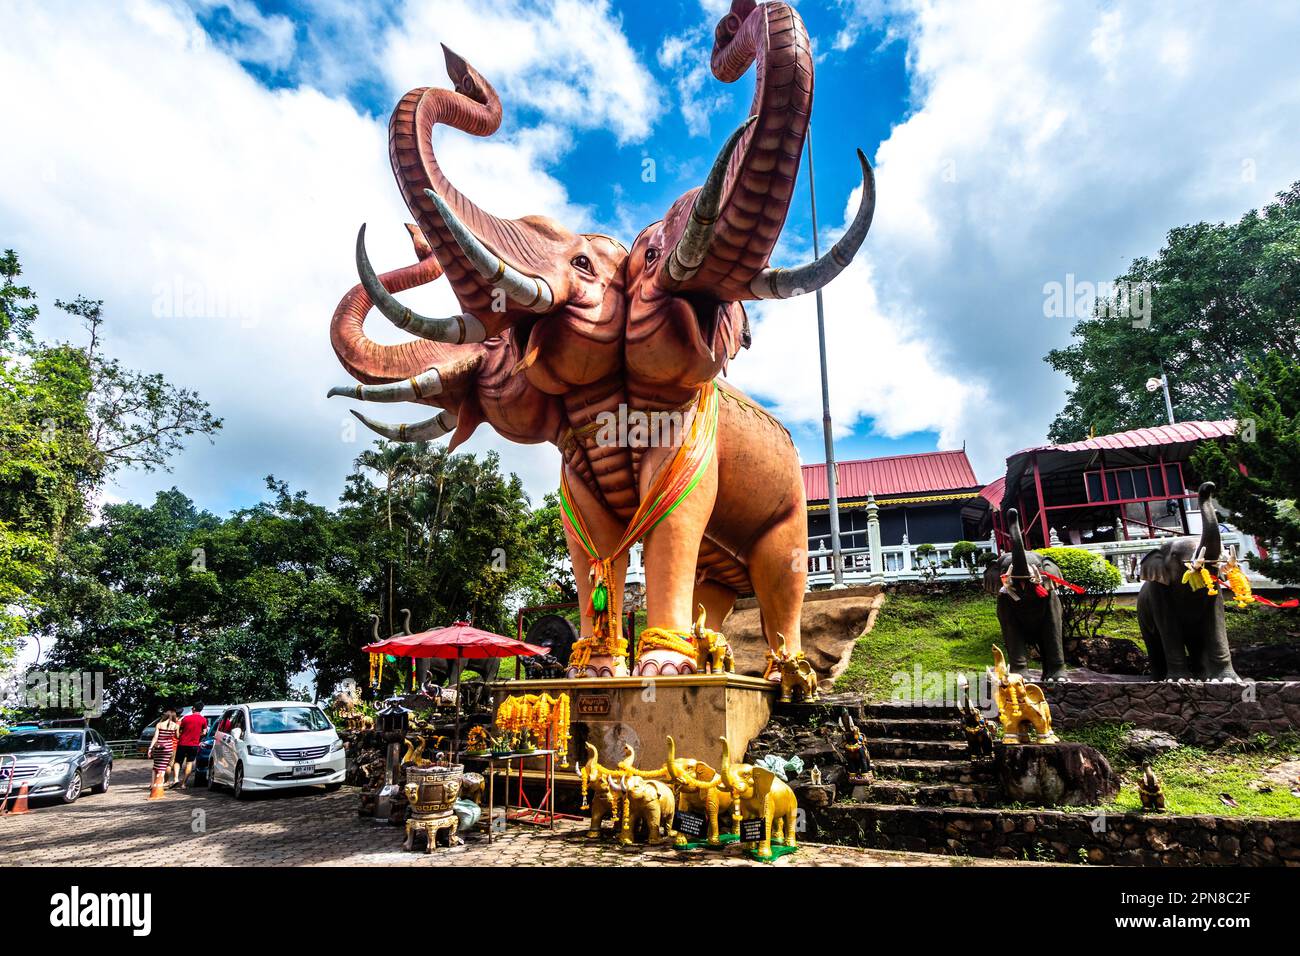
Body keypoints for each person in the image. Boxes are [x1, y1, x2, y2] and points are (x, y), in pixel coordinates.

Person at [147, 709, 181, 793]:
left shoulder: (159, 724)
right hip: (169, 748)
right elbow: (177, 736)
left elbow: (155, 737)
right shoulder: (176, 726)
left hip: (159, 748)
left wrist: (150, 748)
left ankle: (153, 784)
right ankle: (160, 785)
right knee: (163, 766)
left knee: (155, 766)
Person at [175, 704, 208, 789]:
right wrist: (197, 735)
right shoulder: (203, 720)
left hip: (182, 743)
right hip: (194, 744)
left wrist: (180, 735)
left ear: (193, 708)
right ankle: (183, 784)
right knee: (189, 763)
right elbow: (204, 733)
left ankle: (175, 779)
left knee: (178, 762)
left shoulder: (186, 718)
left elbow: (180, 729)